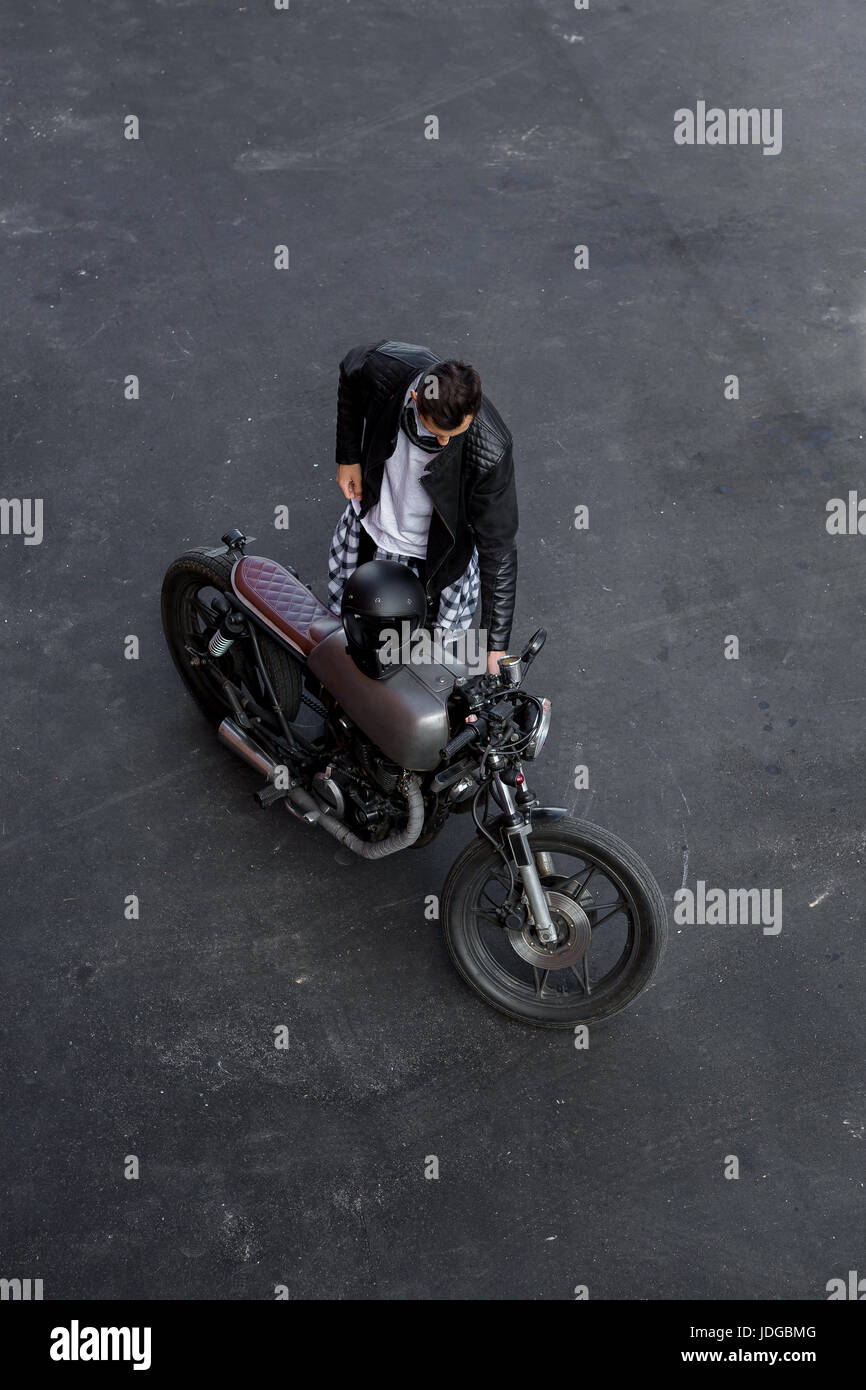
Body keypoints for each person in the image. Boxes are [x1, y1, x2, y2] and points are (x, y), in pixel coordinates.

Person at [328, 339, 519, 674]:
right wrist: (348, 457)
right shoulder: (391, 369)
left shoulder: (492, 450)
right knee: (354, 640)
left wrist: (495, 645)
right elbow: (350, 368)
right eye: (437, 433)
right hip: (374, 529)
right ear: (416, 399)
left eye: (455, 433)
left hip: (441, 560)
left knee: (429, 664)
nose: (445, 443)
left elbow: (498, 547)